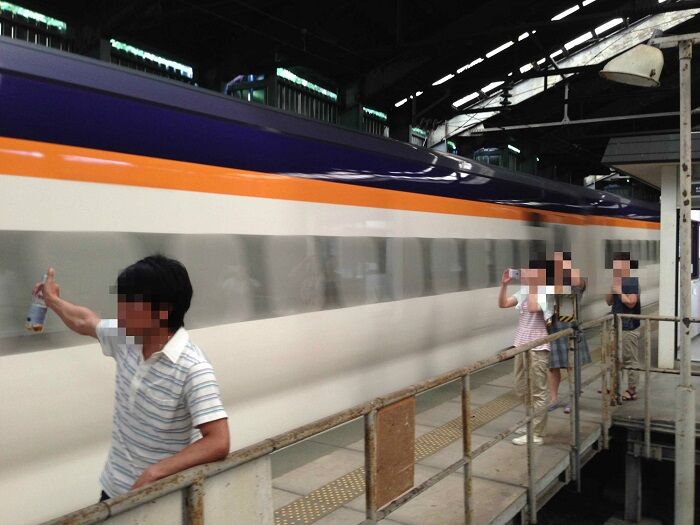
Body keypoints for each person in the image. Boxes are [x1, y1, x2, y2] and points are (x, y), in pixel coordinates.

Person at [34, 255, 230, 501]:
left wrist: (155, 473)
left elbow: (218, 441)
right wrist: (52, 300)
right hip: (113, 490)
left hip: (157, 499)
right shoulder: (127, 338)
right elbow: (85, 321)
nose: (121, 311)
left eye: (131, 303)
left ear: (163, 310)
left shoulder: (193, 369)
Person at [499, 260, 553, 445]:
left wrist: (534, 285)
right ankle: (531, 421)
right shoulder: (525, 291)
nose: (525, 274)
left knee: (538, 391)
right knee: (521, 387)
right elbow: (503, 304)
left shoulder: (547, 293)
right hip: (521, 346)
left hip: (538, 348)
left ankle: (537, 433)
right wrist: (504, 285)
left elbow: (533, 307)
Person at [547, 252, 591, 413]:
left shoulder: (577, 281)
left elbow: (579, 282)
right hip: (554, 330)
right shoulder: (552, 284)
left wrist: (566, 268)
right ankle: (553, 399)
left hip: (572, 330)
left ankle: (573, 398)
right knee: (553, 368)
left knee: (572, 367)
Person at [605, 251, 641, 401]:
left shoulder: (632, 281)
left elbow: (631, 302)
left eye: (619, 265)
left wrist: (619, 291)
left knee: (629, 359)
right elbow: (608, 302)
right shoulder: (617, 281)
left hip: (629, 327)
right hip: (616, 325)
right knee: (614, 357)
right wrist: (611, 289)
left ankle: (632, 390)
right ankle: (614, 386)